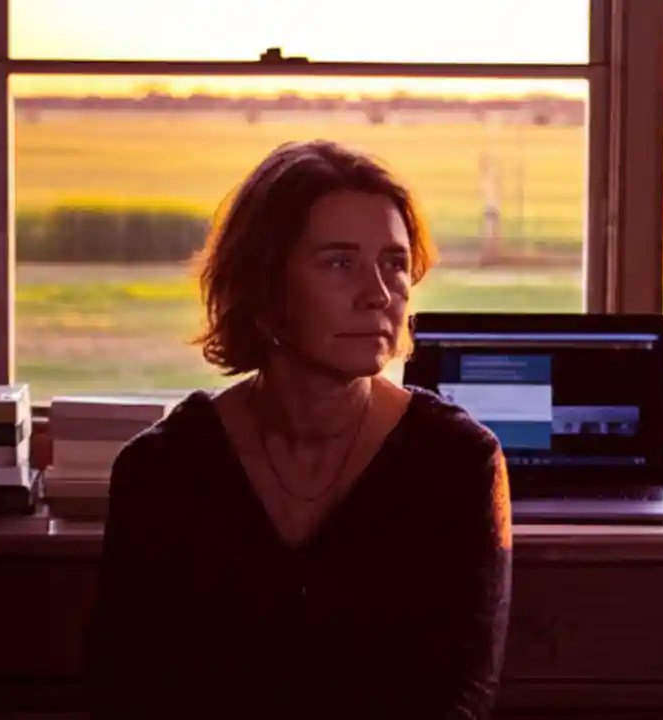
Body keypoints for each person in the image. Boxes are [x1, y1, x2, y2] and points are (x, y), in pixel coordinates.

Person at [83, 140, 513, 719]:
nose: (378, 295)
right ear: (264, 286)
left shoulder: (455, 462)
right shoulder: (165, 469)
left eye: (394, 263)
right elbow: (128, 691)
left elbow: (459, 699)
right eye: (339, 262)